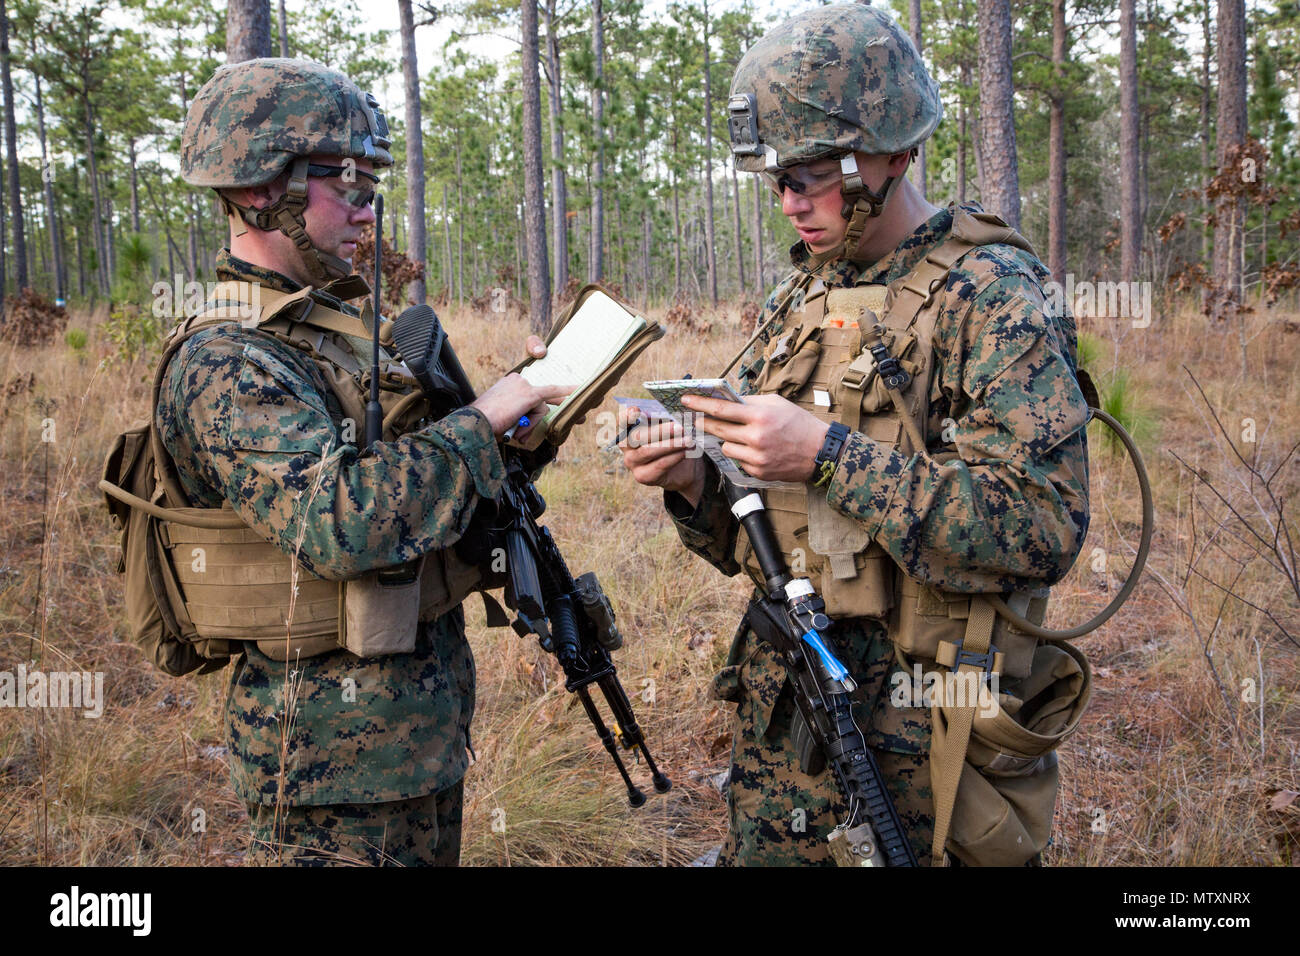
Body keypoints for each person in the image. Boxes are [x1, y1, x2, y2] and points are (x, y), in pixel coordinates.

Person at [620, 4, 1091, 866]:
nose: (793, 204)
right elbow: (760, 541)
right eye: (777, 183)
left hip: (919, 735)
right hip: (787, 720)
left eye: (812, 175)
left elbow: (1044, 524)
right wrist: (694, 482)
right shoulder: (799, 302)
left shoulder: (994, 296)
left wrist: (829, 455)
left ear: (894, 147)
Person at [165, 58, 568, 865]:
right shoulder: (225, 361)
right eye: (346, 184)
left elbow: (424, 486)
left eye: (373, 185)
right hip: (326, 764)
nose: (367, 209)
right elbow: (341, 521)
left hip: (413, 734)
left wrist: (511, 429)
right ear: (257, 190)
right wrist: (482, 422)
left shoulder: (332, 331)